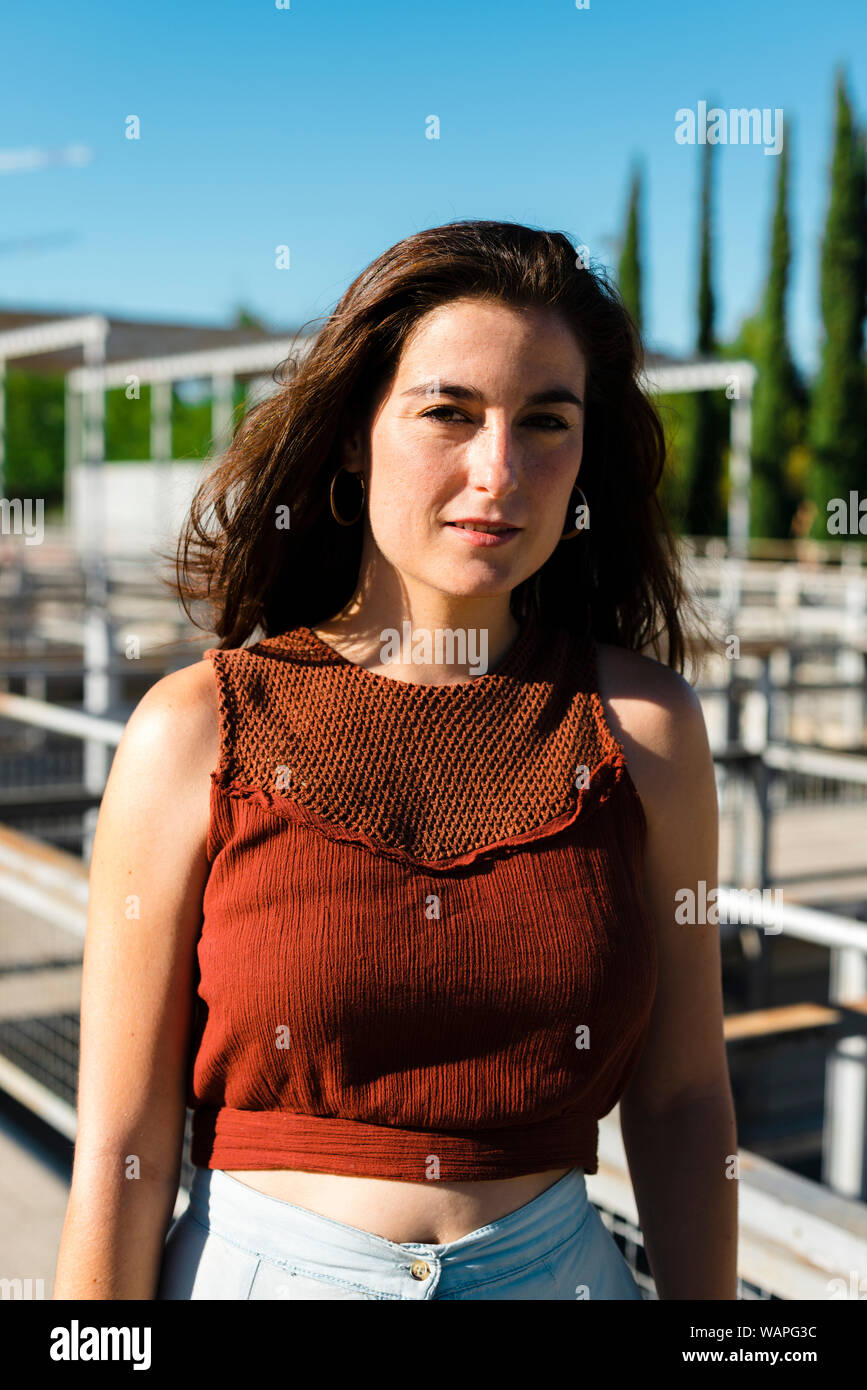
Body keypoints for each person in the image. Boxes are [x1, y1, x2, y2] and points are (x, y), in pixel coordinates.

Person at [53, 220, 738, 1301]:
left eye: (545, 421)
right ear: (354, 435)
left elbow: (686, 1098)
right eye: (449, 413)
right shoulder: (197, 729)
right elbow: (120, 1145)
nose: (499, 469)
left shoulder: (646, 729)